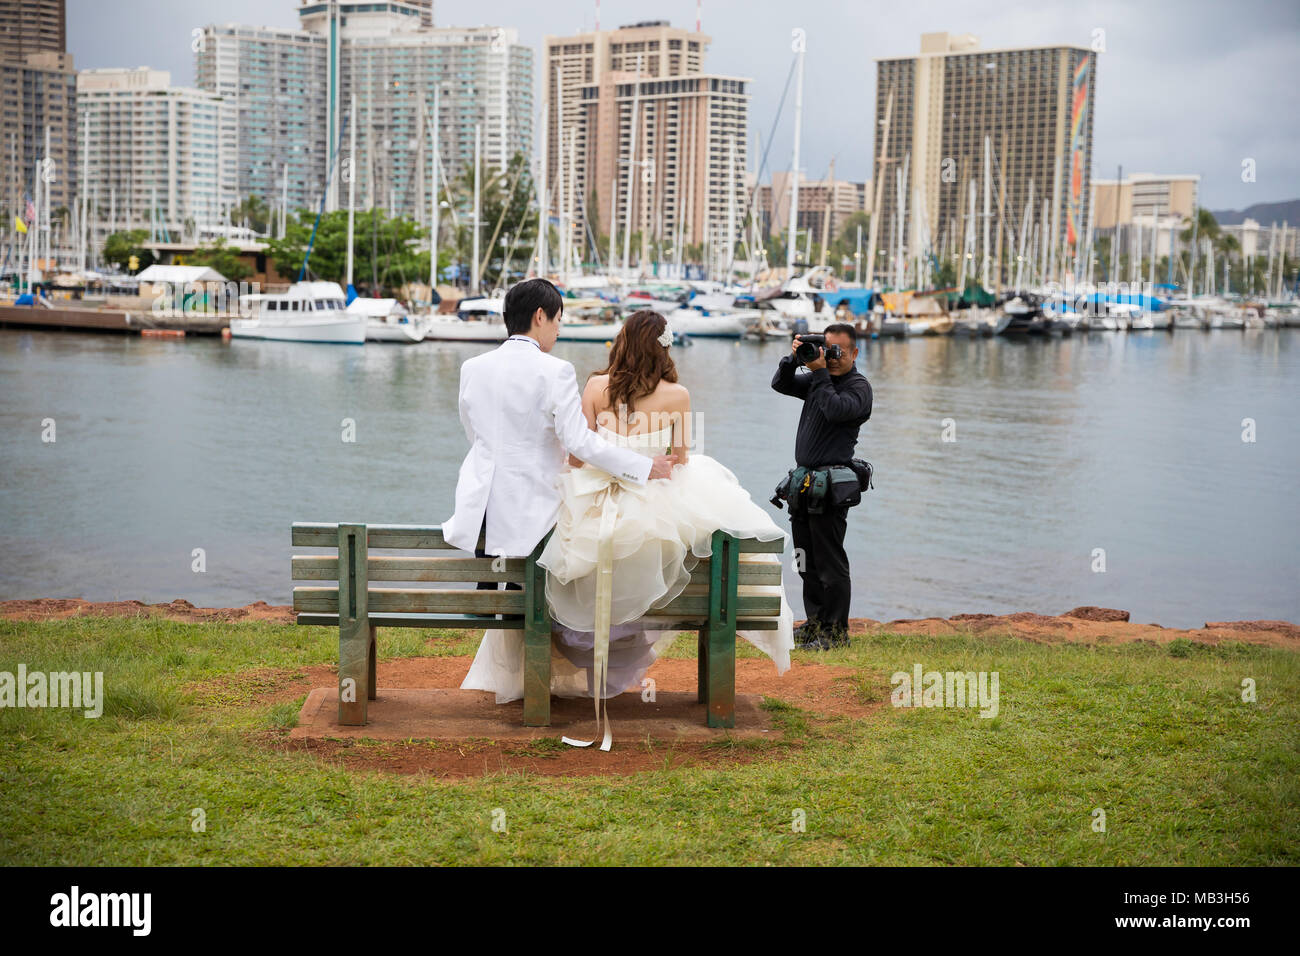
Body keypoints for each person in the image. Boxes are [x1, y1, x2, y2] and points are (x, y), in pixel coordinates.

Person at [462, 310, 793, 745]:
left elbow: (578, 455)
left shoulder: (596, 387)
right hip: (655, 489)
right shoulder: (679, 394)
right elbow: (679, 460)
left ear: (620, 343)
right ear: (665, 347)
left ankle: (562, 655)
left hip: (592, 492)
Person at [442, 277, 677, 577]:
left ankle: (488, 599)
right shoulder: (556, 370)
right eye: (558, 320)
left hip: (480, 500)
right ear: (540, 316)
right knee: (525, 584)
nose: (559, 329)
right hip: (533, 504)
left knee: (494, 577)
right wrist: (644, 466)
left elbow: (473, 431)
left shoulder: (472, 367)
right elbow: (580, 441)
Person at [770, 322, 872, 650]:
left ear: (855, 352)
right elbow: (780, 384)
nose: (832, 356)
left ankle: (836, 632)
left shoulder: (858, 387)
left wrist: (819, 374)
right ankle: (815, 624)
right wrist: (793, 355)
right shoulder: (819, 379)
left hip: (831, 488)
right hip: (804, 485)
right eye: (828, 349)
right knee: (805, 559)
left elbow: (835, 409)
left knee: (831, 564)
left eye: (839, 351)